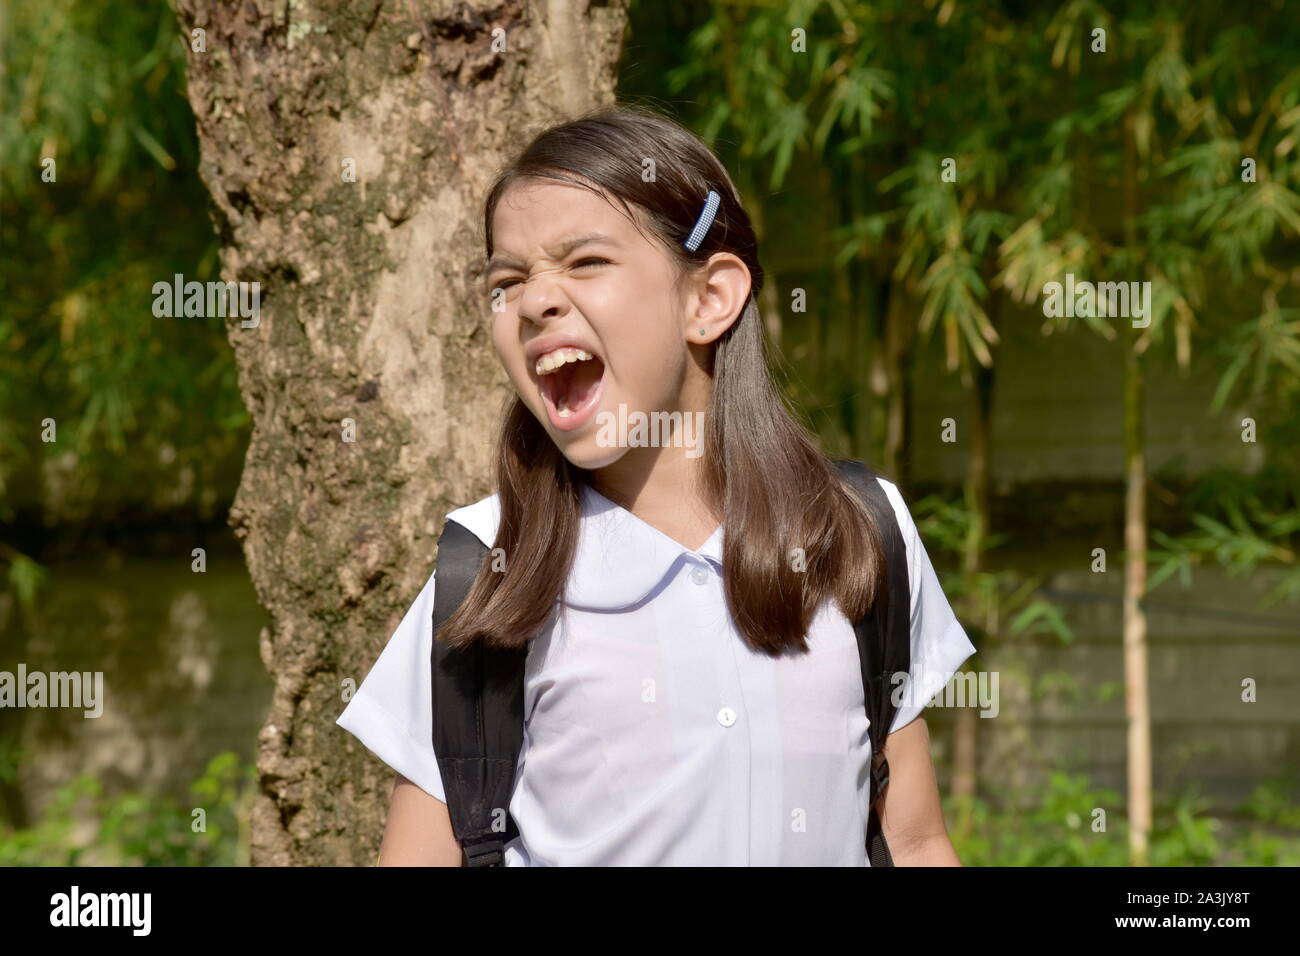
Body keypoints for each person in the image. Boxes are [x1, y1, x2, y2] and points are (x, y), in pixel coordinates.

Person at [336, 103, 976, 866]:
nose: (535, 301)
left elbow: (914, 838)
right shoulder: (487, 574)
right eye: (507, 281)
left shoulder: (858, 529)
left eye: (585, 263)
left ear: (709, 299)